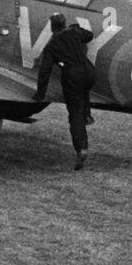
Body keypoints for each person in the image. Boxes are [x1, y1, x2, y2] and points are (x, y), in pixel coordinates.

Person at [33, 12, 96, 169]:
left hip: (73, 76)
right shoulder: (74, 32)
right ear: (64, 23)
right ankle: (87, 115)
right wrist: (75, 28)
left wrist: (40, 94)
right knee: (84, 91)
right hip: (89, 72)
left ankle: (81, 149)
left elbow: (45, 71)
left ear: (52, 26)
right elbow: (89, 35)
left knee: (75, 114)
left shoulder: (52, 46)